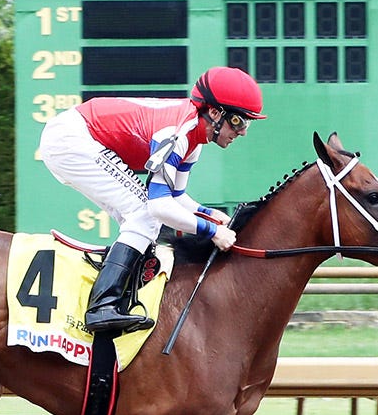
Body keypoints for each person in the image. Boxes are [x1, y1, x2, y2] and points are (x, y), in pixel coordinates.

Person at [39, 67, 267, 334]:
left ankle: (115, 296)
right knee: (144, 213)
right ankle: (102, 306)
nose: (242, 132)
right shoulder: (178, 134)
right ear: (215, 113)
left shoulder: (195, 140)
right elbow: (159, 206)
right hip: (72, 139)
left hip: (76, 136)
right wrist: (213, 231)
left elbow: (176, 197)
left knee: (142, 214)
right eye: (238, 121)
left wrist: (209, 214)